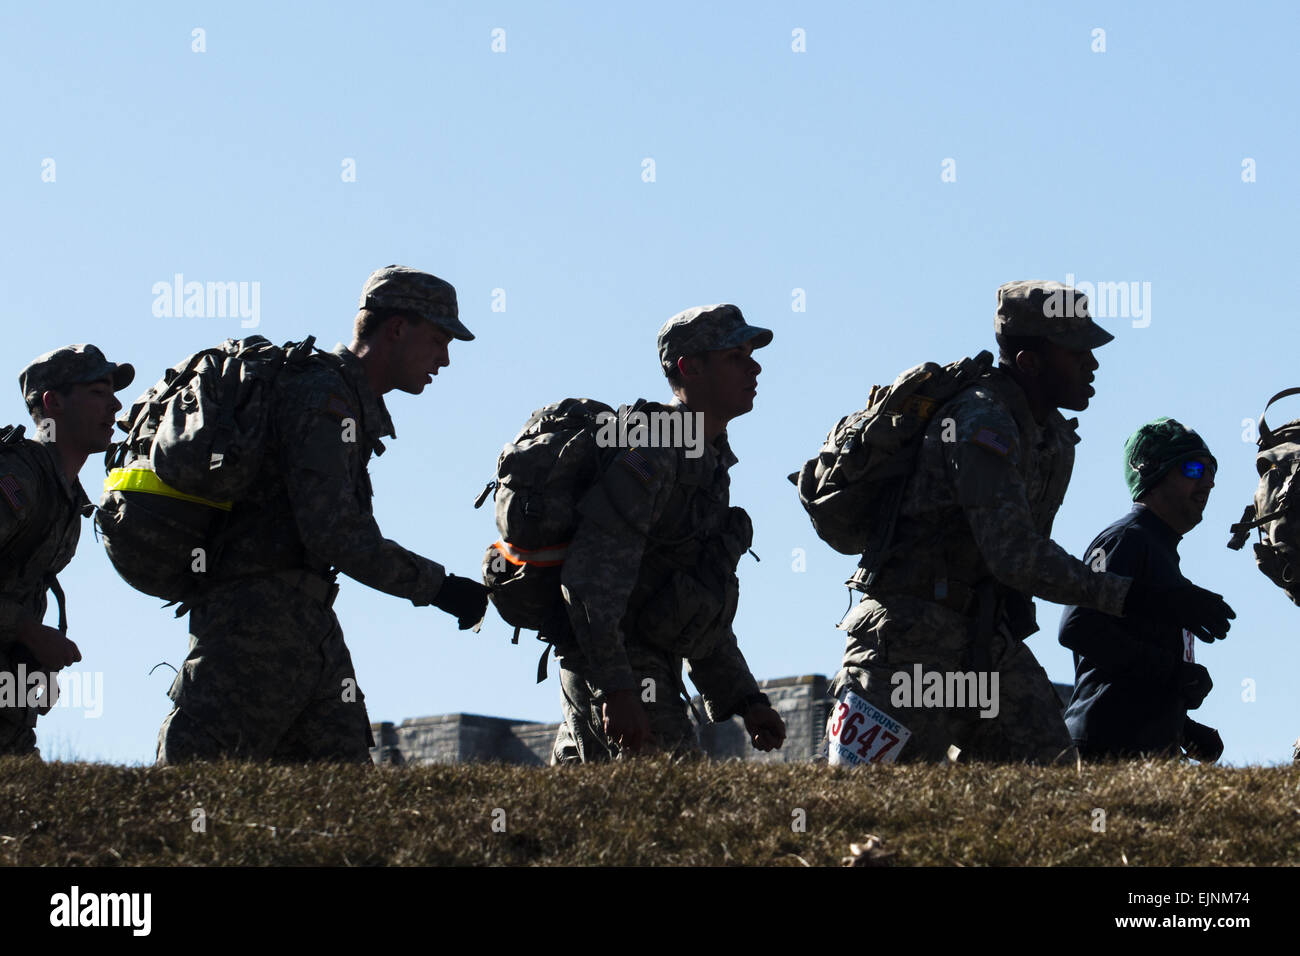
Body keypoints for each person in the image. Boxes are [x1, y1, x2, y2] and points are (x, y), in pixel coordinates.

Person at [827, 280, 1234, 764]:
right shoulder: (983, 421)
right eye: (1077, 352)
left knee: (1053, 785)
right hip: (904, 642)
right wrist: (1140, 597)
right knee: (859, 806)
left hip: (984, 640)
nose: (1093, 363)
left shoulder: (1052, 438)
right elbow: (1016, 555)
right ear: (1030, 362)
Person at [156, 265, 489, 764]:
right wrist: (439, 588)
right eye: (439, 339)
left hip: (306, 623)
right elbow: (334, 532)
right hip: (252, 624)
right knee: (191, 791)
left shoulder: (343, 399)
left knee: (345, 805)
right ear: (397, 328)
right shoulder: (323, 399)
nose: (444, 359)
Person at [546, 304, 787, 762]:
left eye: (751, 354)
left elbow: (693, 598)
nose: (755, 366)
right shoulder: (653, 450)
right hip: (615, 663)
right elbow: (591, 577)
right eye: (735, 356)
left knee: (600, 819)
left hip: (636, 664)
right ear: (690, 368)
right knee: (674, 805)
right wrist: (617, 688)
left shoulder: (706, 459)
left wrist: (745, 698)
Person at [1059, 418, 1225, 761]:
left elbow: (1134, 664)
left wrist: (1182, 727)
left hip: (1145, 751)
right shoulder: (1126, 539)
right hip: (1106, 748)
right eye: (1194, 468)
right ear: (1152, 472)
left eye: (1212, 471)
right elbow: (1078, 625)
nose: (1208, 482)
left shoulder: (1160, 550)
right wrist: (1174, 673)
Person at [2, 345, 134, 756]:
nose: (115, 405)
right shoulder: (18, 478)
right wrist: (27, 632)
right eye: (98, 392)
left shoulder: (67, 498)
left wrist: (30, 671)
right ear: (52, 402)